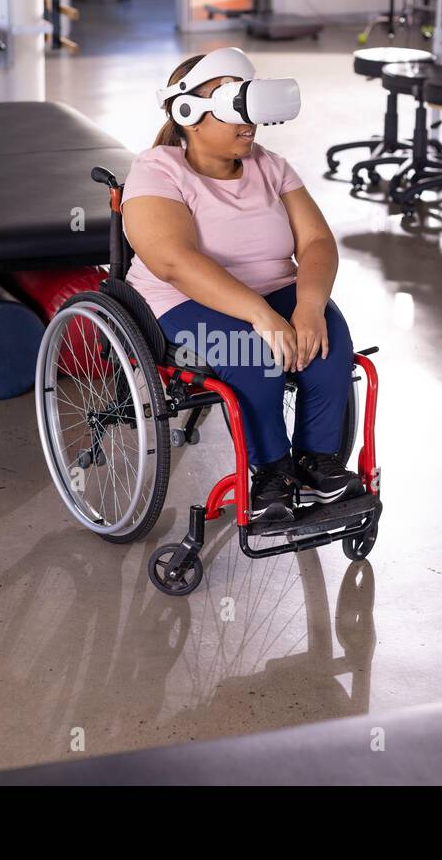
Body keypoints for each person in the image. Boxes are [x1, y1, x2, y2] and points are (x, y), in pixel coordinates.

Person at [120, 48, 364, 521]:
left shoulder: (271, 166)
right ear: (188, 113)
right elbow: (174, 262)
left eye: (248, 104)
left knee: (329, 347)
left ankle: (320, 465)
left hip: (275, 287)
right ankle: (272, 473)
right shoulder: (157, 170)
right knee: (252, 358)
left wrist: (310, 306)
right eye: (233, 106)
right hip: (183, 298)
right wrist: (261, 315)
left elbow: (316, 241)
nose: (248, 122)